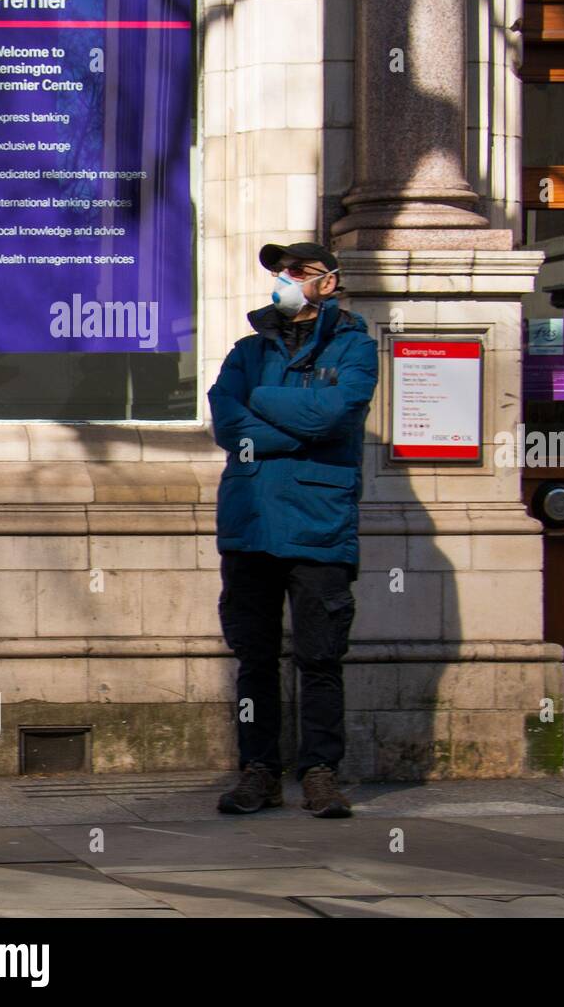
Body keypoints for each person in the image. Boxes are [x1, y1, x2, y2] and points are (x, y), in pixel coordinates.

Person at [207, 241, 378, 817]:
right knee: (254, 659)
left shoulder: (355, 348)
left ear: (328, 282)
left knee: (320, 657)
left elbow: (335, 415)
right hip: (250, 523)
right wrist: (295, 425)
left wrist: (259, 402)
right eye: (280, 272)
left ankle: (321, 771)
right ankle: (258, 770)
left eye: (297, 271)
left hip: (319, 525)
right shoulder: (247, 352)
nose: (284, 279)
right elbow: (229, 425)